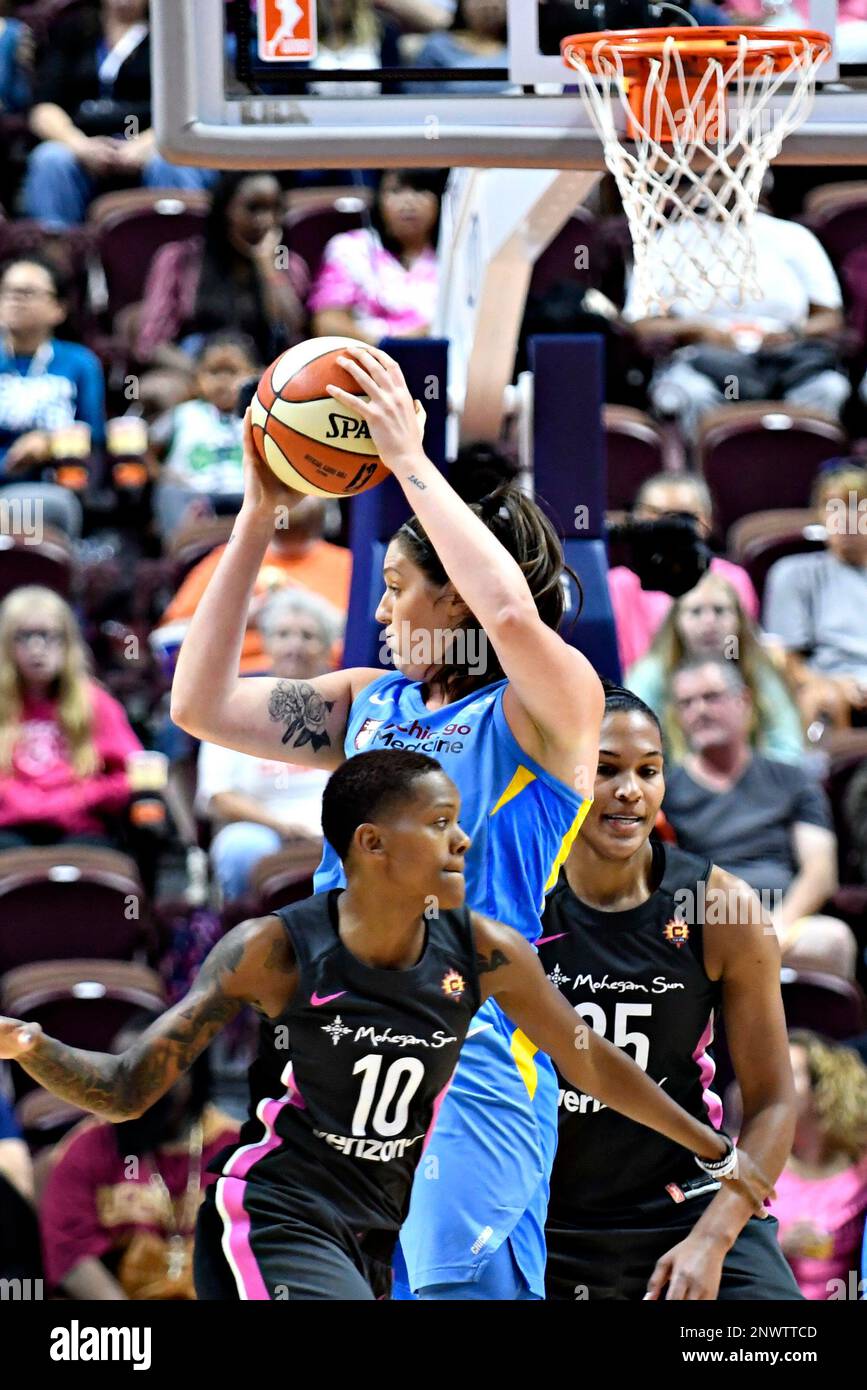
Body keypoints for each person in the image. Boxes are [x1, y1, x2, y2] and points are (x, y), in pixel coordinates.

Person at [1, 752, 771, 1300]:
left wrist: (717, 1153)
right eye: (439, 824)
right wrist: (31, 1046)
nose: (463, 841)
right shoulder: (273, 950)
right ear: (370, 845)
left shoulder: (486, 951)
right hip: (278, 1213)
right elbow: (127, 1088)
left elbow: (589, 1061)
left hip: (374, 1230)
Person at [168, 338, 606, 1302]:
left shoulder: (548, 706)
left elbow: (513, 618)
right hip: (342, 1059)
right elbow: (197, 705)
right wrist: (255, 517)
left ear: (454, 592)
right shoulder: (371, 704)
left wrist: (409, 459)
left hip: (475, 1054)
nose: (378, 612)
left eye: (398, 589)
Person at [539, 684, 802, 1300]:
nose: (630, 789)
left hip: (686, 1204)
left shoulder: (720, 907)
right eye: (606, 769)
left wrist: (712, 1239)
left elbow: (773, 1105)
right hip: (541, 1216)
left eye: (648, 770)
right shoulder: (516, 898)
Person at [662, 656, 857, 979]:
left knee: (834, 941)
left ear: (744, 701)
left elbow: (820, 873)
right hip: (707, 922)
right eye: (686, 703)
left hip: (786, 920)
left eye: (711, 697)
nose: (700, 710)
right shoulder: (667, 789)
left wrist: (774, 930)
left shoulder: (791, 780)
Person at [39, 1013, 238, 1300]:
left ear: (192, 1071)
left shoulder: (239, 1147)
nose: (136, 1086)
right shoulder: (87, 1146)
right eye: (123, 1069)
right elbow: (70, 1252)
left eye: (152, 1070)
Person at [623, 200, 849, 441]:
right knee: (691, 392)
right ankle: (709, 472)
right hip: (704, 358)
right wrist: (698, 331)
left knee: (829, 387)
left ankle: (803, 469)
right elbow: (641, 323)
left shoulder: (794, 236)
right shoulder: (668, 240)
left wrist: (794, 332)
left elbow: (830, 316)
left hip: (784, 359)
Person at [197, 590, 342, 902]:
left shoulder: (349, 702)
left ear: (330, 646)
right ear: (266, 643)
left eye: (308, 635)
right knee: (240, 848)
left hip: (336, 827)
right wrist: (283, 827)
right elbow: (219, 796)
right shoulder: (233, 705)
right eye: (283, 634)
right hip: (263, 828)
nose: (294, 646)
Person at [23, 0, 215, 227]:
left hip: (155, 139)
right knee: (51, 159)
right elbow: (44, 108)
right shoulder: (72, 30)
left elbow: (195, 107)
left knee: (175, 161)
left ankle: (178, 250)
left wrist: (149, 143)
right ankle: (55, 252)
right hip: (83, 140)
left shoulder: (174, 33)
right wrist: (79, 145)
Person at [0, 585, 142, 850]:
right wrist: (20, 801)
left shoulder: (96, 702)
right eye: (23, 636)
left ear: (68, 642)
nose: (36, 648)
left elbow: (134, 772)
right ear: (6, 644)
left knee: (86, 864)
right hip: (8, 827)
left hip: (81, 828)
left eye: (48, 635)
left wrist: (85, 796)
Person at [156, 495, 352, 677]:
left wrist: (312, 612)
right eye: (287, 487)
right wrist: (238, 618)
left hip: (326, 683)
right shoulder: (228, 559)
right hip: (238, 681)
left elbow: (371, 636)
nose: (296, 496)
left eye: (306, 489)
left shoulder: (349, 564)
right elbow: (166, 638)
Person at [626, 570, 804, 765]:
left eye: (719, 611)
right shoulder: (651, 673)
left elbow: (788, 745)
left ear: (738, 621)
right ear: (676, 622)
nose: (709, 622)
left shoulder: (755, 665)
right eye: (695, 612)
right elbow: (633, 747)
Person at [136, 172, 308, 370]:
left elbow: (293, 332)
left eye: (275, 209)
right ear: (225, 209)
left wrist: (267, 265)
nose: (266, 221)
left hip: (263, 375)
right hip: (192, 369)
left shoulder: (290, 265)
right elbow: (152, 343)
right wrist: (209, 377)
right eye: (254, 208)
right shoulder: (180, 259)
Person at [0, 253, 106, 539]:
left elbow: (94, 436)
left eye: (28, 292)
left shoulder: (80, 362)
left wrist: (50, 441)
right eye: (8, 291)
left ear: (58, 309)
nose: (15, 299)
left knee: (53, 506)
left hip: (51, 486)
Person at [609, 472, 759, 671]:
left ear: (706, 521)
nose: (669, 527)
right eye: (657, 516)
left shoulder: (733, 578)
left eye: (683, 516)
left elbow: (742, 655)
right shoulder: (617, 584)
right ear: (637, 521)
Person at [764, 463, 867, 732]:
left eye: (857, 506)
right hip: (833, 683)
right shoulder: (794, 573)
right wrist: (832, 684)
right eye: (834, 507)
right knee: (822, 699)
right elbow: (787, 659)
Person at [769, 1031, 867, 1300]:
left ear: (822, 1090)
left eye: (789, 1073)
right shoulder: (747, 1159)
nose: (771, 1081)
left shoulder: (859, 1173)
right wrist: (780, 1246)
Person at [308, 169, 442, 345]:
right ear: (379, 199)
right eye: (396, 191)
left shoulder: (453, 257)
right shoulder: (350, 247)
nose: (409, 201)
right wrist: (389, 347)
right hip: (366, 361)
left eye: (420, 190)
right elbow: (327, 323)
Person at [149, 332, 257, 542]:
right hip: (193, 495)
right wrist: (163, 474)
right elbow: (148, 448)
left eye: (232, 372)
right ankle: (178, 548)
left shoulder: (263, 416)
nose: (223, 381)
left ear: (253, 376)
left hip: (248, 497)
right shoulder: (183, 414)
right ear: (198, 378)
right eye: (214, 372)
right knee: (168, 493)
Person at [408, 0, 511, 94]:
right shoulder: (437, 47)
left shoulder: (520, 48)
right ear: (461, 5)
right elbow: (419, 97)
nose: (488, 5)